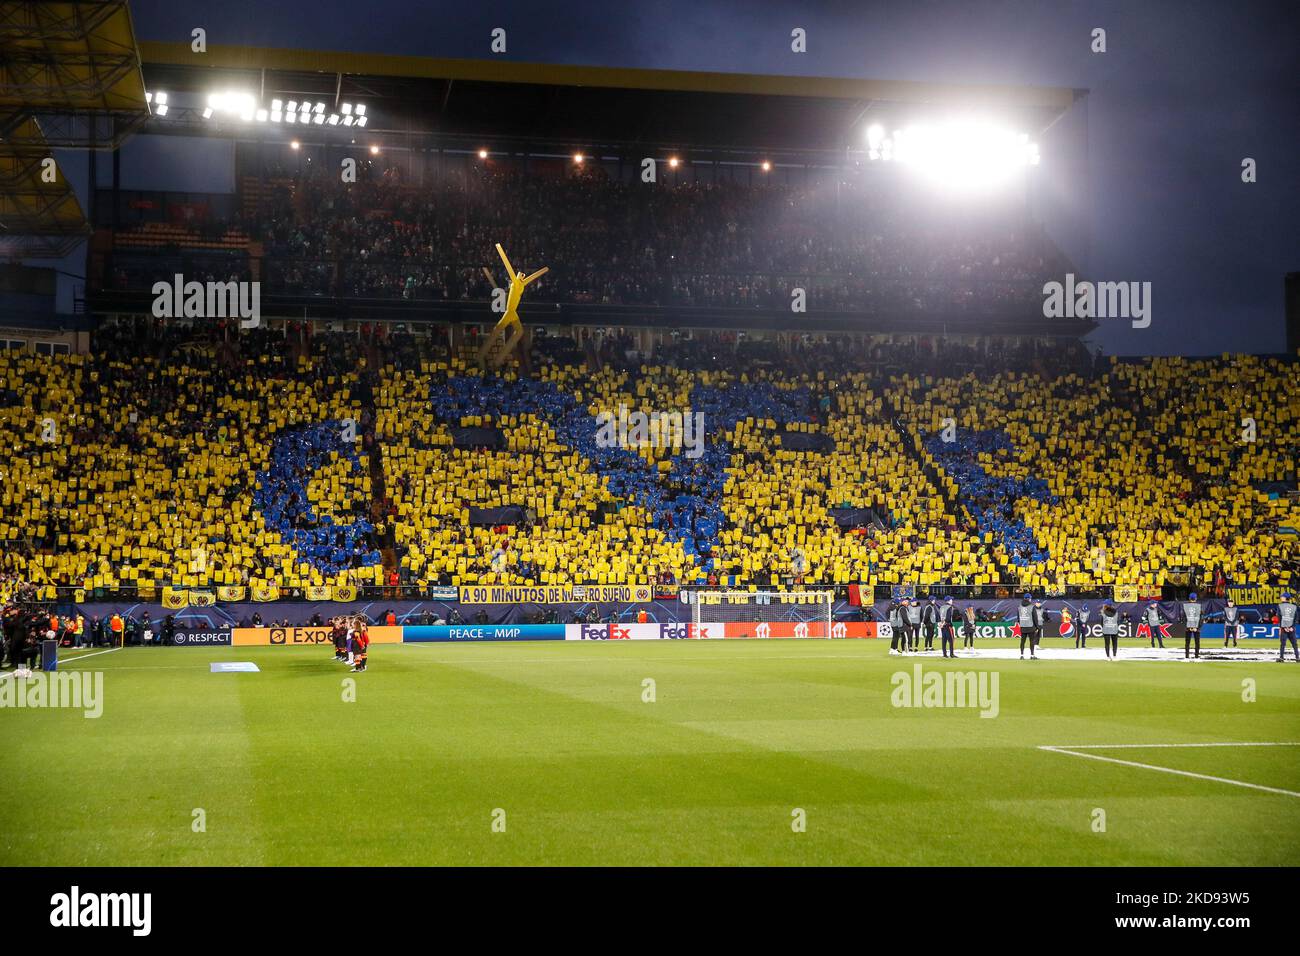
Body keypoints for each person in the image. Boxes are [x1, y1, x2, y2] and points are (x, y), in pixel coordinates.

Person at [1180, 592, 1203, 659]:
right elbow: (1201, 618)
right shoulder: (1199, 606)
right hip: (1196, 627)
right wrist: (1197, 627)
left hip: (1188, 627)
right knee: (1197, 643)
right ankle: (1196, 656)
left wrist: (1188, 627)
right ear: (1196, 598)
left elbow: (1183, 618)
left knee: (1187, 643)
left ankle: (1187, 656)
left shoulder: (1185, 606)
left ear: (1189, 598)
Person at [1016, 593, 1038, 660]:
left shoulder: (1019, 607)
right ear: (1029, 598)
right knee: (1032, 641)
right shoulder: (1032, 606)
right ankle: (1032, 655)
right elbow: (1035, 618)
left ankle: (1022, 655)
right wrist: (1037, 627)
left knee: (1022, 641)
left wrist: (1021, 624)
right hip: (1031, 626)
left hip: (1023, 626)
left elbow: (1018, 618)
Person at [1277, 593, 1298, 663]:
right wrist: (1292, 627)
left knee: (1283, 644)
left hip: (1283, 628)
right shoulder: (1294, 606)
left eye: (1282, 597)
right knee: (1294, 643)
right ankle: (1297, 657)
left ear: (1285, 598)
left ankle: (1281, 657)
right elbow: (1296, 618)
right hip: (1292, 628)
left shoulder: (1280, 606)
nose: (1281, 598)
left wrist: (1282, 627)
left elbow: (1279, 618)